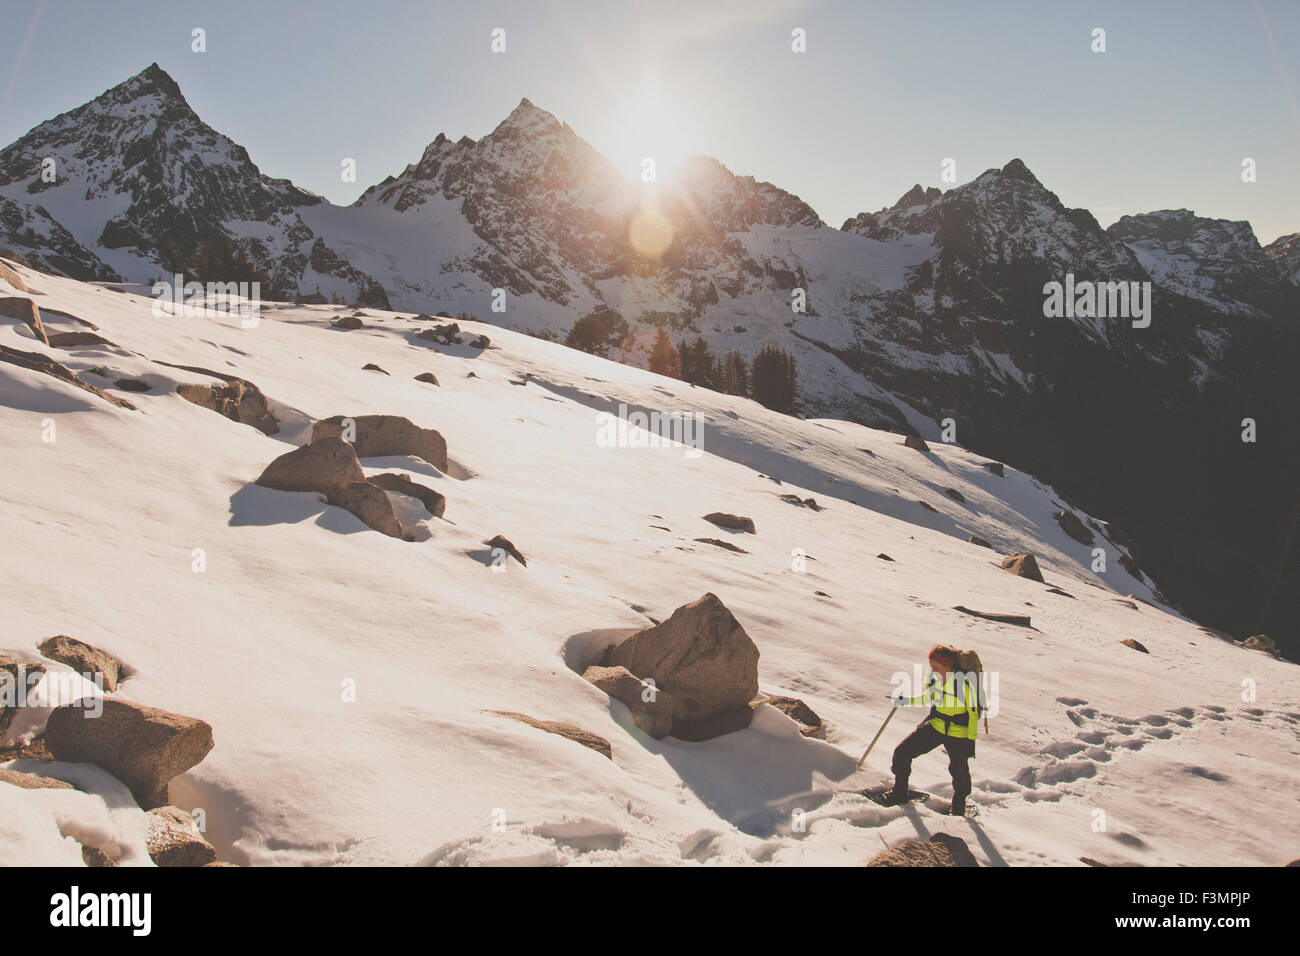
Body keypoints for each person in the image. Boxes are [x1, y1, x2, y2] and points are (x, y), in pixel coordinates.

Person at [881, 644, 979, 815]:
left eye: (936, 667)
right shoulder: (933, 679)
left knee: (959, 771)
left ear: (948, 666)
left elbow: (973, 714)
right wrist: (905, 701)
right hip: (936, 725)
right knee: (902, 752)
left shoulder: (963, 683)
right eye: (931, 666)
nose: (932, 670)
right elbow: (927, 698)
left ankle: (958, 806)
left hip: (958, 733)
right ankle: (899, 792)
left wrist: (970, 740)